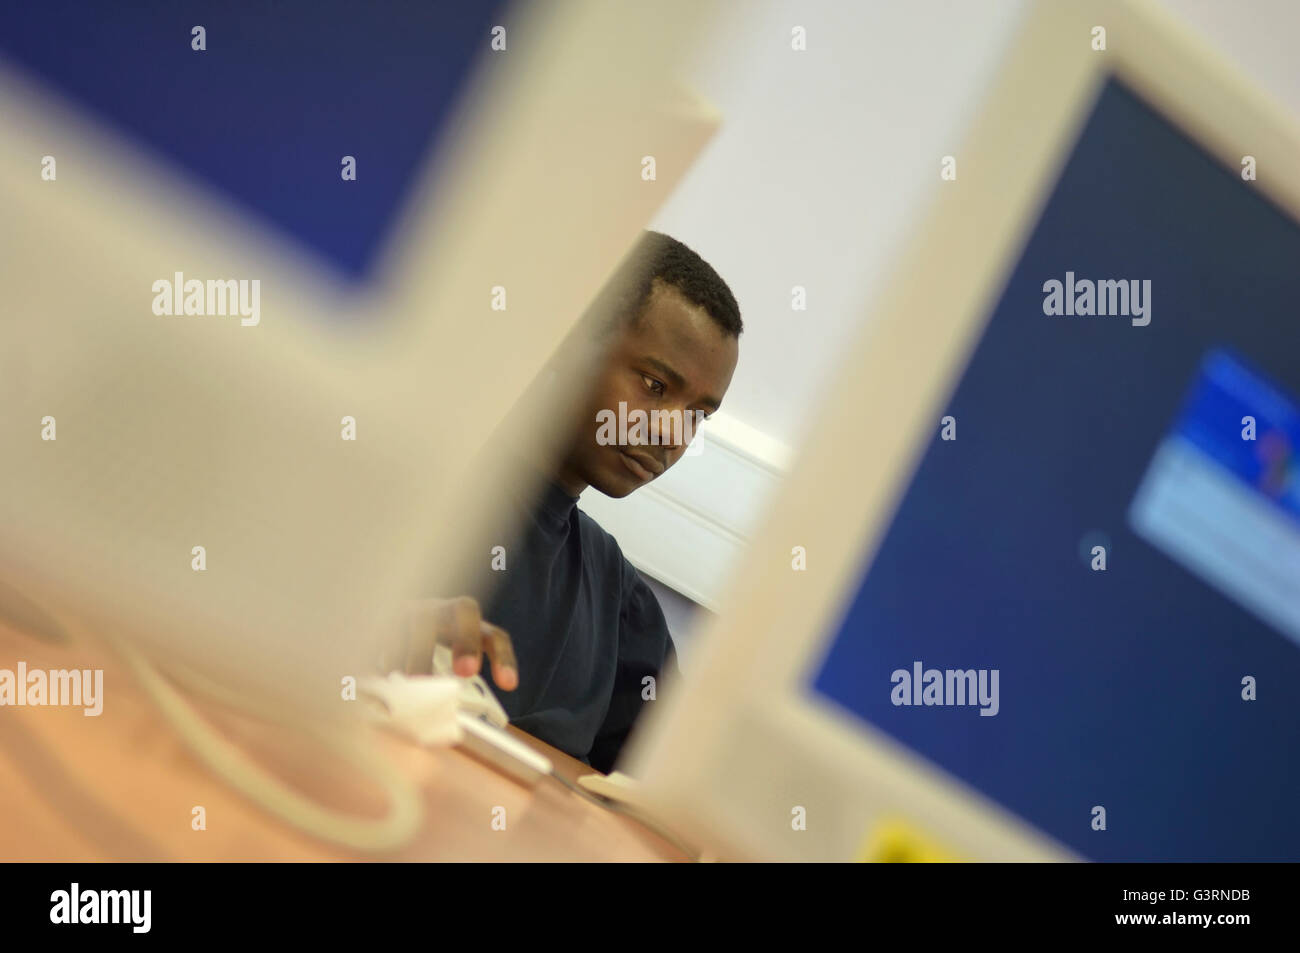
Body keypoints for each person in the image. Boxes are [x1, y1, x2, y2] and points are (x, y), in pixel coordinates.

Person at [397, 231, 742, 773]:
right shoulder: (401, 488)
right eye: (654, 385)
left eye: (699, 413)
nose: (672, 433)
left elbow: (671, 792)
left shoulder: (623, 609)